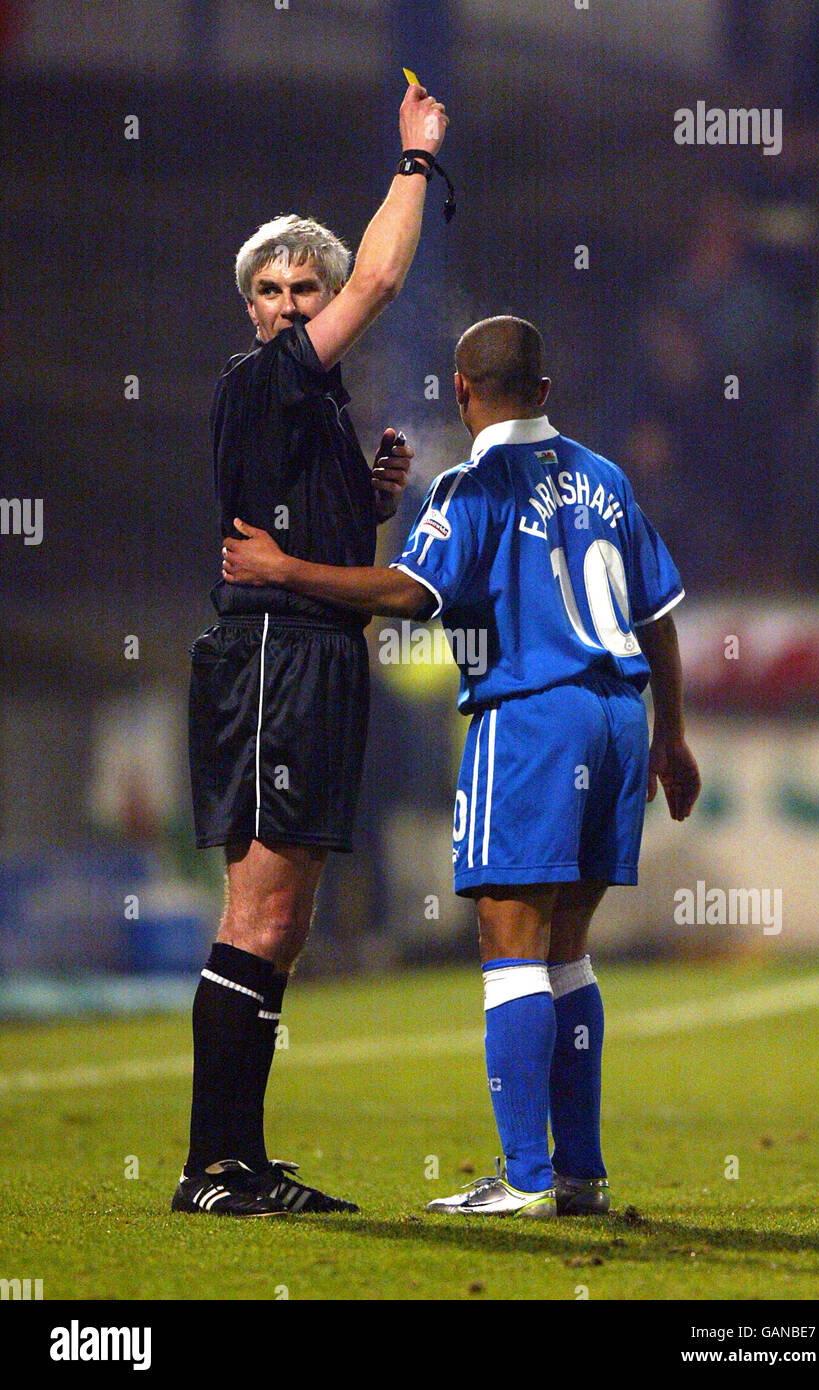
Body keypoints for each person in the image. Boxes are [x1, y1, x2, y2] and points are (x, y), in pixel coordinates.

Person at [221, 315, 702, 1219]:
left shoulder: (473, 482)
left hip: (533, 718)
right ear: (546, 391)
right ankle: (579, 1173)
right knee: (567, 951)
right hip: (617, 717)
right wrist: (671, 737)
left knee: (510, 947)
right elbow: (660, 613)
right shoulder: (605, 477)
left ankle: (524, 1177)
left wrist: (284, 567)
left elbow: (409, 592)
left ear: (460, 390)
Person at [175, 81, 450, 1218]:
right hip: (275, 660)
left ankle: (237, 1158)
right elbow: (386, 274)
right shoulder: (263, 378)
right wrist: (416, 161)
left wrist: (363, 502)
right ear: (250, 310)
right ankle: (214, 1168)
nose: (289, 306)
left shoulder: (315, 409)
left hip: (314, 658)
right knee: (261, 915)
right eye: (271, 291)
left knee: (284, 924)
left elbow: (302, 530)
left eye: (305, 289)